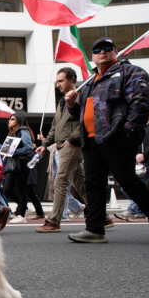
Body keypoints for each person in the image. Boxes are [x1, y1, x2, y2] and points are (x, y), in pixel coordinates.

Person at [65, 37, 149, 244]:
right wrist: (72, 105)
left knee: (128, 181)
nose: (102, 52)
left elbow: (141, 104)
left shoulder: (132, 72)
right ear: (92, 56)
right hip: (91, 140)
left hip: (116, 138)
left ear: (115, 51)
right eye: (97, 49)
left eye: (108, 48)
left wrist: (128, 133)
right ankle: (95, 228)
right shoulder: (91, 80)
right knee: (94, 185)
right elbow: (87, 112)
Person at [35, 68, 88, 232]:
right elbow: (55, 127)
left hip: (71, 147)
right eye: (57, 81)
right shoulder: (62, 101)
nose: (58, 84)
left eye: (61, 81)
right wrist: (44, 144)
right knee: (83, 185)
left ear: (72, 79)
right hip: (62, 147)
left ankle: (54, 220)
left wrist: (72, 140)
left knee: (60, 182)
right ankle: (103, 216)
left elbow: (85, 121)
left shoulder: (81, 96)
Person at [116, 104, 149, 221]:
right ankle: (139, 210)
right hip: (142, 164)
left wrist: (144, 155)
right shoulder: (139, 127)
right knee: (128, 188)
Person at [2, 112, 36, 224]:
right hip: (13, 164)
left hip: (21, 163)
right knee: (7, 189)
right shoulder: (13, 133)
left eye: (12, 119)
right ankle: (24, 207)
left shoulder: (23, 131)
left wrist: (12, 152)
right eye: (9, 119)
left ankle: (22, 215)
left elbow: (28, 148)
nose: (9, 121)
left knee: (20, 190)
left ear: (19, 120)